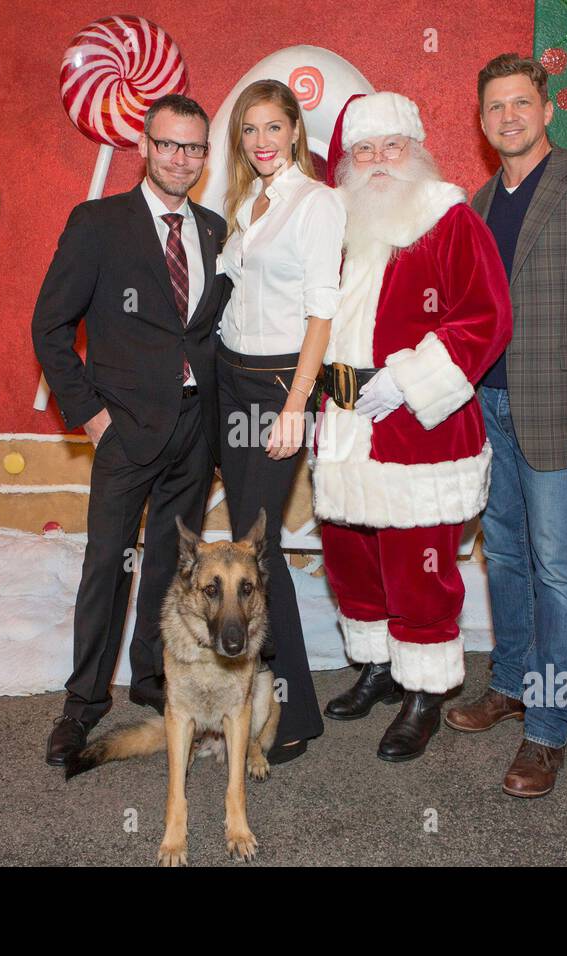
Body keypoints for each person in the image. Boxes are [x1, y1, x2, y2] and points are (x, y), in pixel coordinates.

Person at [444, 54, 567, 797]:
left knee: (559, 568)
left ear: (546, 109)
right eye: (494, 106)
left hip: (563, 415)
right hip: (487, 409)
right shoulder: (476, 200)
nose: (507, 117)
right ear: (481, 118)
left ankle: (549, 728)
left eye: (520, 103)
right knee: (503, 556)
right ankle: (509, 683)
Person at [32, 94, 229, 772]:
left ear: (206, 155)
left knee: (174, 565)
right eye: (168, 145)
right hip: (124, 426)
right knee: (106, 566)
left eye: (194, 147)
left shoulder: (212, 228)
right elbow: (49, 329)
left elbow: (207, 330)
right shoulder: (98, 223)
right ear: (145, 147)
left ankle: (150, 676)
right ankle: (83, 702)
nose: (180, 158)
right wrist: (90, 413)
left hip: (195, 427)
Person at [314, 91, 512, 762]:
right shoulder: (333, 221)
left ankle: (424, 691)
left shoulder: (449, 219)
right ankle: (376, 663)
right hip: (344, 424)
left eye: (391, 147)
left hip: (419, 427)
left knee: (417, 564)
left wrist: (407, 378)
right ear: (346, 162)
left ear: (417, 151)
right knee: (350, 551)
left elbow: (486, 317)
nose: (378, 162)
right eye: (364, 150)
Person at [216, 79, 345, 765]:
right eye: (250, 130)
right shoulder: (247, 202)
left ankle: (298, 714)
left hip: (276, 385)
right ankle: (253, 687)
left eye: (273, 127)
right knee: (243, 543)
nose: (262, 142)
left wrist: (297, 405)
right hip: (229, 378)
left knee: (258, 553)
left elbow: (322, 313)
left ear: (296, 130)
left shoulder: (317, 203)